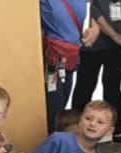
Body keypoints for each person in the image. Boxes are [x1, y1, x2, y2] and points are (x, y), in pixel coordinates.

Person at [71, 0, 121, 138]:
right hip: (94, 43)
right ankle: (75, 131)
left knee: (113, 87)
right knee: (85, 87)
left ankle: (118, 131)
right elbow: (92, 9)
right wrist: (114, 35)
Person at [39, 0, 98, 132]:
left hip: (70, 58)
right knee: (54, 113)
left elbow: (91, 10)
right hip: (50, 60)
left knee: (62, 106)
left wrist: (95, 28)